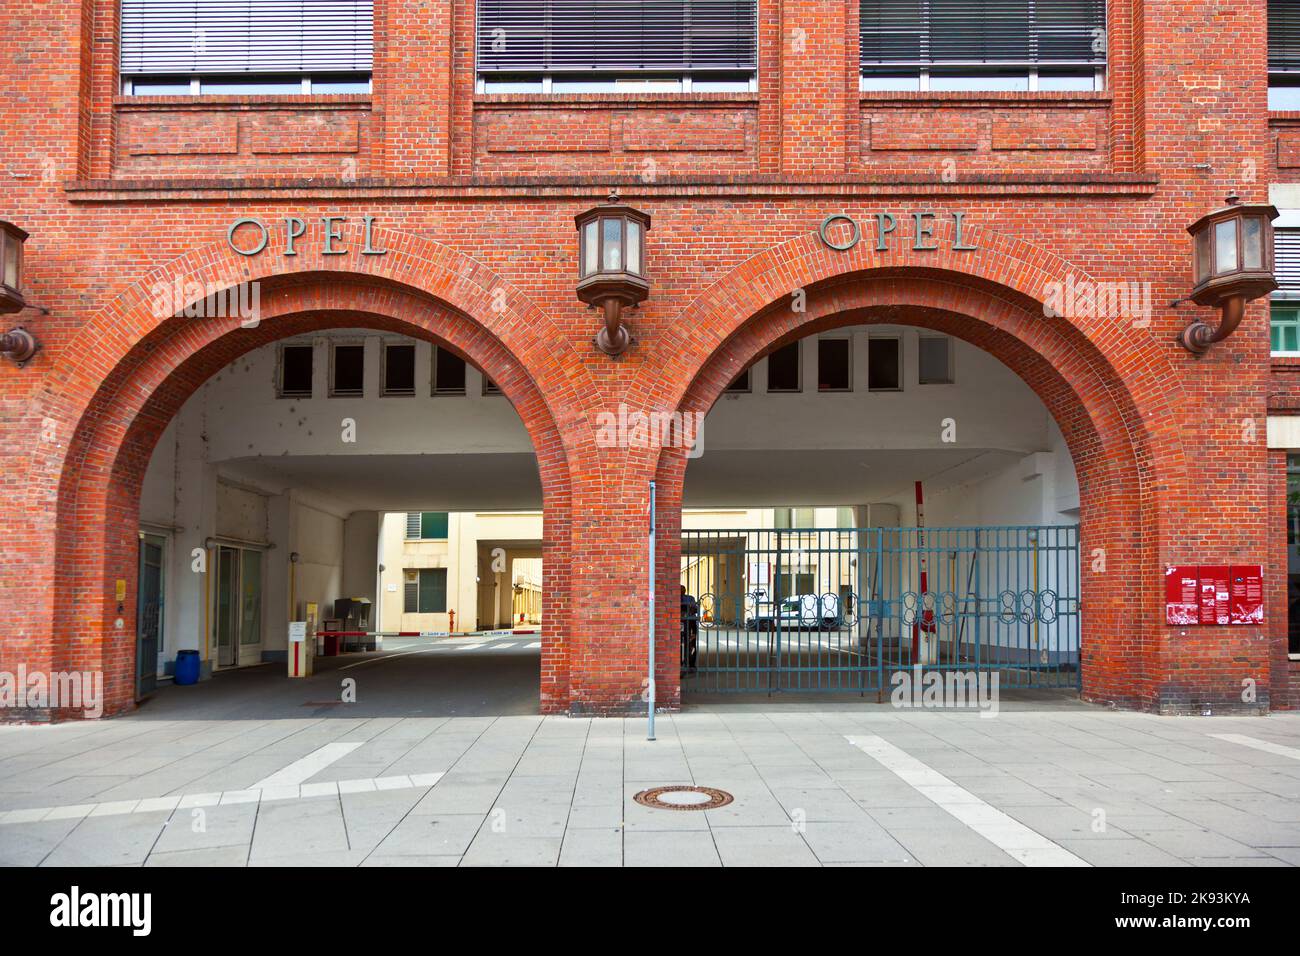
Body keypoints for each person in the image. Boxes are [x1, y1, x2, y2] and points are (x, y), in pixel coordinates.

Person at [680, 585, 700, 672]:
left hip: (690, 623)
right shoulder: (673, 598)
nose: (681, 592)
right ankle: (680, 664)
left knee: (691, 644)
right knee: (679, 644)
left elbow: (695, 609)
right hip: (679, 624)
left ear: (685, 590)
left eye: (682, 590)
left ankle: (691, 664)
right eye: (679, 590)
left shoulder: (690, 598)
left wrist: (688, 611)